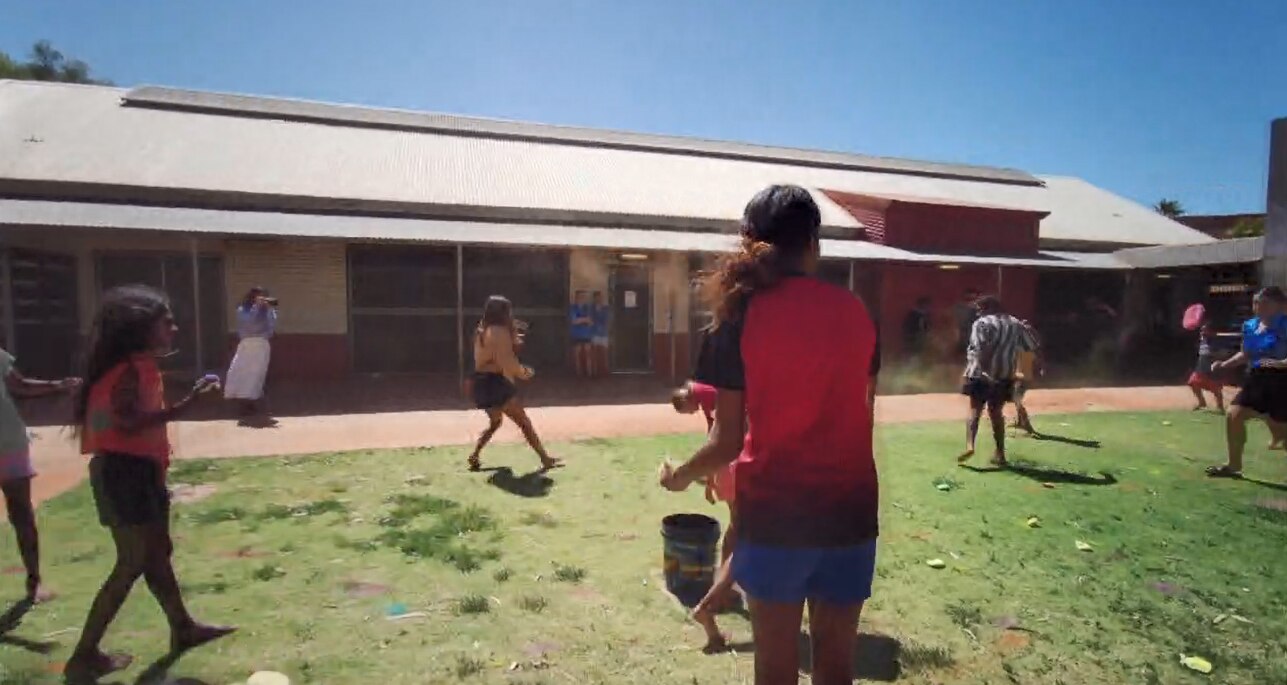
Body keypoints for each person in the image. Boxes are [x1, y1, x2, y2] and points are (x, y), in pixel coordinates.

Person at [658, 185, 880, 684]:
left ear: (749, 243)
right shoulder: (857, 313)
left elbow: (727, 441)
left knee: (776, 669)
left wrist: (681, 477)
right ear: (814, 245)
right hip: (851, 513)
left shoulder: (737, 319)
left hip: (777, 518)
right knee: (837, 666)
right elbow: (860, 409)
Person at [65, 285, 233, 680]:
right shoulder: (129, 369)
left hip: (135, 470)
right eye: (166, 323)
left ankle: (182, 628)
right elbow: (125, 421)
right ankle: (84, 654)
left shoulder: (131, 366)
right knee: (133, 561)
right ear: (141, 329)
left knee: (157, 552)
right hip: (124, 474)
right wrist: (186, 406)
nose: (174, 329)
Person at [0, 348, 80, 603]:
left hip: (9, 442)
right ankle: (34, 582)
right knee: (22, 514)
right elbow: (20, 386)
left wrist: (58, 385)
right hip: (9, 442)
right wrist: (58, 385)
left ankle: (34, 581)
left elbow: (19, 385)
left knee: (21, 514)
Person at [671, 380, 737, 652]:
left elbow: (718, 435)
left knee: (741, 530)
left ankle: (721, 592)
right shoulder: (709, 396)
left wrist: (708, 477)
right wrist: (709, 478)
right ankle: (714, 600)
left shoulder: (709, 393)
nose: (692, 413)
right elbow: (718, 436)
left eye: (687, 411)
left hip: (733, 464)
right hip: (735, 464)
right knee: (745, 532)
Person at [467, 295, 562, 472]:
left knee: (496, 422)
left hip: (481, 383)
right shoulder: (498, 331)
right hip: (495, 383)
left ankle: (475, 455)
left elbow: (493, 354)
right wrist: (524, 372)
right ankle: (545, 459)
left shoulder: (482, 328)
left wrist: (512, 336)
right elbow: (507, 362)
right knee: (524, 422)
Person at [1206, 287, 1287, 478]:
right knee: (1233, 415)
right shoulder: (1250, 326)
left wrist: (1281, 363)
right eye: (1256, 302)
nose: (1258, 307)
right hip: (1256, 378)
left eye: (1265, 303)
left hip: (1282, 381)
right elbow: (1246, 354)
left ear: (1280, 305)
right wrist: (1224, 364)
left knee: (1282, 430)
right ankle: (1233, 466)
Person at [957, 296, 1035, 466]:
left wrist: (985, 371)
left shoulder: (982, 323)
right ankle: (1000, 453)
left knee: (975, 410)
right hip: (1004, 375)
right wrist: (1027, 372)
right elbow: (1030, 347)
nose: (978, 313)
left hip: (980, 373)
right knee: (996, 412)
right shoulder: (1016, 323)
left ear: (988, 308)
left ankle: (970, 445)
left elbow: (980, 349)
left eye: (980, 309)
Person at [224, 287, 277, 419]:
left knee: (257, 375)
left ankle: (252, 402)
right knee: (243, 373)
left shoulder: (267, 310)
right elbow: (249, 324)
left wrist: (268, 309)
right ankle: (244, 403)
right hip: (247, 344)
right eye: (259, 297)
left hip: (261, 343)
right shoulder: (243, 310)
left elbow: (271, 327)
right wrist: (256, 308)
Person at [1011, 319, 1043, 434]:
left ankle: (1026, 424)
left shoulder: (1025, 346)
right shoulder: (1027, 344)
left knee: (1016, 397)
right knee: (1016, 396)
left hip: (1023, 368)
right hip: (1022, 367)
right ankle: (1021, 421)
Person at [1188, 322, 1225, 414]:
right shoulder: (1202, 340)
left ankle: (1220, 407)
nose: (1202, 332)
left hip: (1211, 368)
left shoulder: (1215, 341)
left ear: (1211, 331)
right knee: (1192, 383)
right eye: (1201, 330)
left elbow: (1222, 353)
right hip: (1200, 367)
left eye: (1205, 330)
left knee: (1215, 388)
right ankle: (1202, 403)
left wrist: (1214, 356)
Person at [569, 291, 594, 378]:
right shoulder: (573, 308)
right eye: (580, 297)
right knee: (577, 354)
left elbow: (591, 322)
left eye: (583, 297)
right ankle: (578, 373)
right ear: (576, 298)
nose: (582, 299)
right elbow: (574, 321)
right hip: (576, 334)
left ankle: (589, 373)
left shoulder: (588, 308)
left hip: (587, 334)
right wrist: (585, 319)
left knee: (588, 354)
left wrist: (581, 320)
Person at [591, 291, 610, 377]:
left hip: (603, 333)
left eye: (600, 297)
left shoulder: (605, 308)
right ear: (594, 299)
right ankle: (594, 371)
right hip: (594, 332)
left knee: (604, 353)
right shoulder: (591, 308)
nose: (598, 299)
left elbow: (606, 320)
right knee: (594, 353)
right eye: (597, 298)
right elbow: (590, 319)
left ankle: (605, 371)